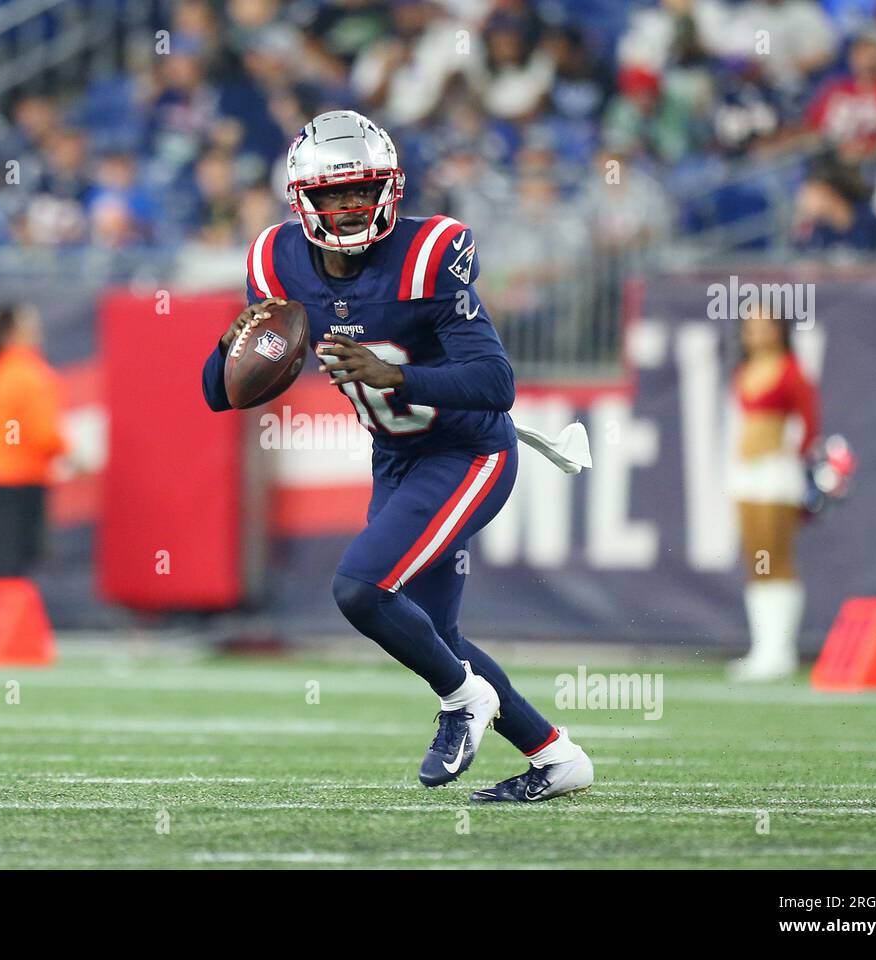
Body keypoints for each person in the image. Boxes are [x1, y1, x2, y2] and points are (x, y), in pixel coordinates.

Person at [201, 110, 593, 803]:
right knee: (434, 633)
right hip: (397, 457)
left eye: (363, 190)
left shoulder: (431, 251)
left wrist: (399, 376)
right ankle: (556, 757)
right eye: (334, 195)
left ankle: (463, 702)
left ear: (392, 188)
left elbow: (496, 385)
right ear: (301, 199)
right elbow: (217, 394)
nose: (350, 206)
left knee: (361, 587)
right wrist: (232, 347)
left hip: (469, 452)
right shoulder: (274, 260)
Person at [728, 308, 820, 681]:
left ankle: (781, 649)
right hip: (746, 472)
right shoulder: (744, 371)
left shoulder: (792, 371)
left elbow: (809, 422)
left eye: (766, 326)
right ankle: (762, 647)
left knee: (775, 557)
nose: (757, 333)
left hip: (777, 473)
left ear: (781, 330)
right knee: (756, 559)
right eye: (750, 326)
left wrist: (792, 455)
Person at [0, 303, 67, 578]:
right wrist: (68, 450)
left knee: (0, 551)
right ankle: (3, 615)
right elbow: (42, 433)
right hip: (19, 476)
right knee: (13, 557)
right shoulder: (28, 374)